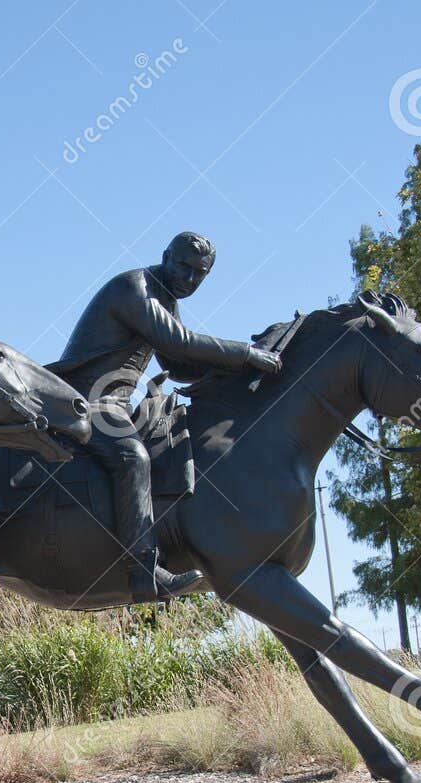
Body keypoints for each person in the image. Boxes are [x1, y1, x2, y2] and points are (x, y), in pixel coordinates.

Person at [49, 232, 283, 601]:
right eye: (183, 267)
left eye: (199, 275)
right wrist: (246, 354)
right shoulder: (134, 287)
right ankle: (145, 571)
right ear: (166, 256)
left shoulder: (165, 298)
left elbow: (175, 363)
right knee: (133, 457)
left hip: (117, 405)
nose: (188, 280)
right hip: (88, 402)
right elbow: (180, 343)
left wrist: (237, 377)